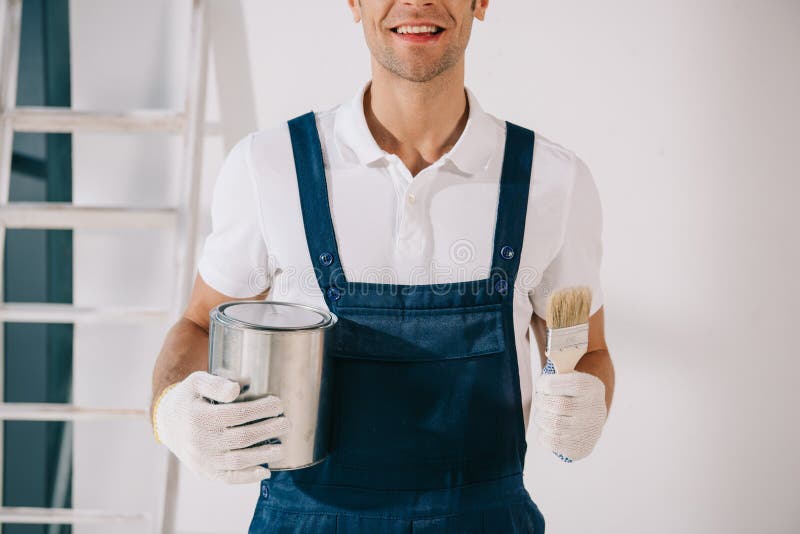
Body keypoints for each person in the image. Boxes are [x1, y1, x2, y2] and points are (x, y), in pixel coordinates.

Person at [149, 0, 615, 532]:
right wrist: (169, 414)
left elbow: (588, 349)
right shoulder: (268, 166)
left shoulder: (552, 180)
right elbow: (200, 323)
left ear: (480, 2)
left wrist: (589, 405)